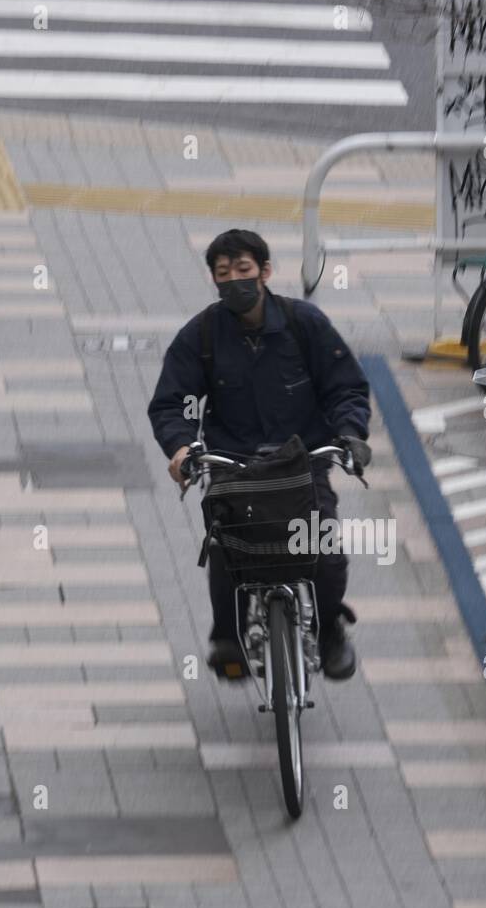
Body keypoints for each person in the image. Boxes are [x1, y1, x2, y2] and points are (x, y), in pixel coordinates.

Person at [147, 228, 371, 681]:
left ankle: (329, 628)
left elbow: (345, 387)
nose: (235, 281)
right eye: (223, 274)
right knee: (226, 547)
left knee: (323, 551)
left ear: (266, 272)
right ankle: (228, 636)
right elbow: (173, 402)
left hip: (302, 466)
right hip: (234, 469)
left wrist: (350, 436)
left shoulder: (303, 324)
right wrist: (181, 447)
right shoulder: (202, 336)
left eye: (244, 270)